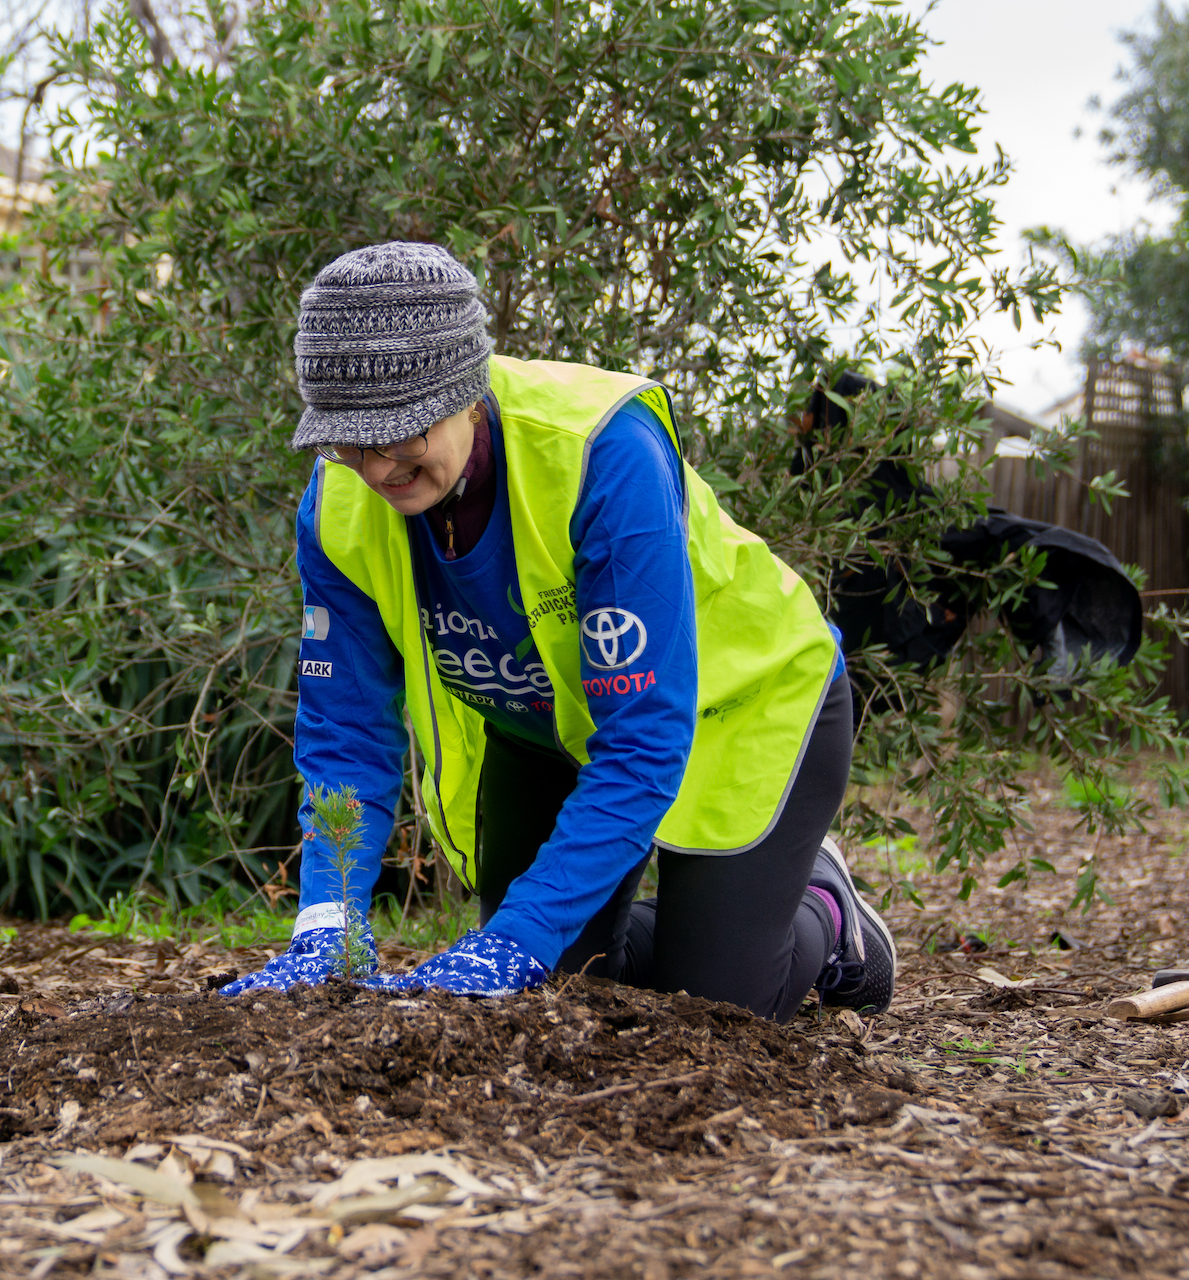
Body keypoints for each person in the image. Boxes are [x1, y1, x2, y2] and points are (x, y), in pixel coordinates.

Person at [220, 242, 897, 1021]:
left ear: (467, 391)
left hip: (743, 704)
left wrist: (521, 934)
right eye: (349, 437)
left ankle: (826, 912)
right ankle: (681, 925)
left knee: (716, 1005)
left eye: (400, 433)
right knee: (550, 993)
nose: (375, 469)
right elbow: (346, 733)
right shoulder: (339, 502)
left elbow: (642, 739)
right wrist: (329, 920)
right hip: (545, 729)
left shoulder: (602, 453)